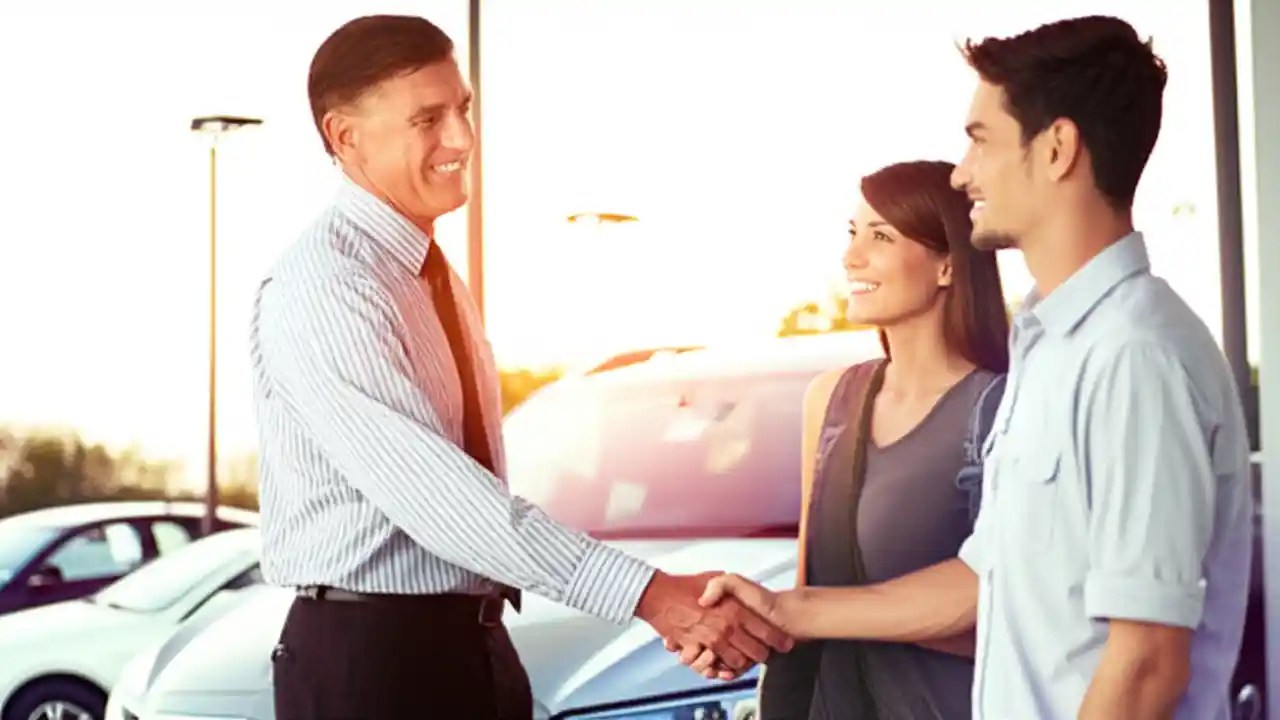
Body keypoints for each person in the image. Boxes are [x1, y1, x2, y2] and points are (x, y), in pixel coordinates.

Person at [687, 15, 1253, 720]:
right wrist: (786, 608)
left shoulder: (1135, 355)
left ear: (1056, 150)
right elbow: (985, 580)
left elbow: (1143, 667)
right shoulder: (1053, 350)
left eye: (981, 141)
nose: (962, 173)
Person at [248, 14, 789, 719]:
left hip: (468, 645)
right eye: (428, 119)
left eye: (463, 109)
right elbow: (440, 496)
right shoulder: (328, 286)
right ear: (345, 137)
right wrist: (652, 596)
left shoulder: (425, 274)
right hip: (375, 664)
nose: (463, 139)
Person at [755, 159, 1010, 720]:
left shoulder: (1002, 409)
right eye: (853, 234)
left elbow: (1022, 622)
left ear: (948, 265)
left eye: (881, 236)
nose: (852, 257)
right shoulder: (830, 399)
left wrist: (841, 615)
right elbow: (807, 591)